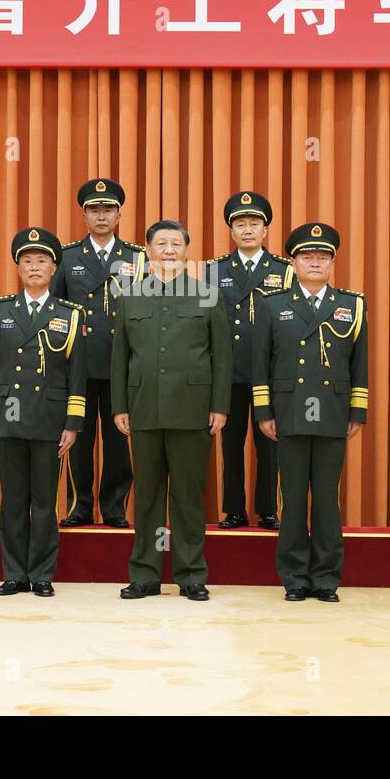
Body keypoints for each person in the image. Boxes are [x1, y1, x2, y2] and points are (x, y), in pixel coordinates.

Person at [111, 220, 232, 602]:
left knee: (187, 496)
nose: (168, 249)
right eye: (160, 243)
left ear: (186, 251)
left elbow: (223, 358)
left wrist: (220, 406)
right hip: (143, 407)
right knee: (145, 496)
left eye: (175, 243)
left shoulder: (208, 295)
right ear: (147, 250)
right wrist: (119, 407)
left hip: (193, 410)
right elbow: (119, 360)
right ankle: (144, 575)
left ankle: (191, 575)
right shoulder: (130, 296)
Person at [251, 223, 366, 602]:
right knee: (294, 498)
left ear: (332, 262)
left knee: (328, 500)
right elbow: (260, 363)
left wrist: (357, 410)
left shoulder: (351, 305)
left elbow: (359, 364)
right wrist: (264, 410)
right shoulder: (273, 304)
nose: (315, 262)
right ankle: (295, 577)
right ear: (293, 262)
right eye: (307, 256)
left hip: (333, 410)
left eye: (323, 257)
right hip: (289, 411)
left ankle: (327, 578)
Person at [0, 227, 88, 598]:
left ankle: (41, 573)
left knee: (44, 501)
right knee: (12, 501)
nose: (34, 267)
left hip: (49, 417)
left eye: (42, 261)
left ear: (54, 268)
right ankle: (13, 573)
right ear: (18, 267)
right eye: (27, 261)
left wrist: (73, 423)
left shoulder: (69, 314)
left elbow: (77, 375)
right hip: (8, 413)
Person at [51, 178, 146, 528]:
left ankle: (115, 508)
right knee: (77, 436)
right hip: (78, 361)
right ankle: (79, 505)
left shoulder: (138, 257)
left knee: (119, 439)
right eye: (94, 210)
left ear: (119, 215)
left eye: (108, 209)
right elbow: (56, 308)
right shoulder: (67, 256)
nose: (101, 215)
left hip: (123, 363)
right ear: (84, 216)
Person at [207, 191, 293, 531]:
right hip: (228, 372)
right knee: (230, 445)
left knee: (269, 443)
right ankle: (234, 510)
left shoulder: (283, 270)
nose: (247, 230)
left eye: (253, 224)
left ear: (265, 229)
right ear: (231, 230)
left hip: (270, 373)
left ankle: (268, 509)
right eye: (240, 224)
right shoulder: (214, 271)